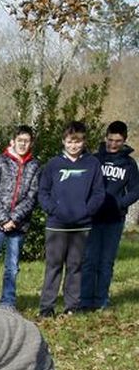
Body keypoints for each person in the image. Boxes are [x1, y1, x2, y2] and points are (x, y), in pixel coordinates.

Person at [37, 120, 105, 317]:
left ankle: (71, 307)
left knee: (75, 267)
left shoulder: (92, 164)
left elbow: (98, 193)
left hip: (81, 226)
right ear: (63, 141)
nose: (73, 146)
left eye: (77, 142)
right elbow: (43, 192)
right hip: (57, 226)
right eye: (69, 142)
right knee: (53, 266)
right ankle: (47, 307)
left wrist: (87, 211)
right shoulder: (53, 164)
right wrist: (53, 210)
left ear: (83, 142)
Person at [0, 125, 40, 312]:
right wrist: (3, 219)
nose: (23, 144)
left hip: (19, 224)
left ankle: (8, 302)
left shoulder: (35, 165)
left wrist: (15, 219)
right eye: (20, 140)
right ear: (13, 141)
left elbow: (31, 197)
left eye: (27, 141)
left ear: (31, 143)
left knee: (12, 266)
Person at [80, 121, 138, 311]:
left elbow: (135, 190)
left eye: (118, 141)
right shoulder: (94, 159)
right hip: (93, 218)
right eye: (111, 140)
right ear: (106, 138)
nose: (113, 144)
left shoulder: (129, 164)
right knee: (89, 260)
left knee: (106, 261)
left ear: (124, 140)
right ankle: (86, 299)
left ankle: (101, 299)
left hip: (115, 220)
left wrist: (119, 204)